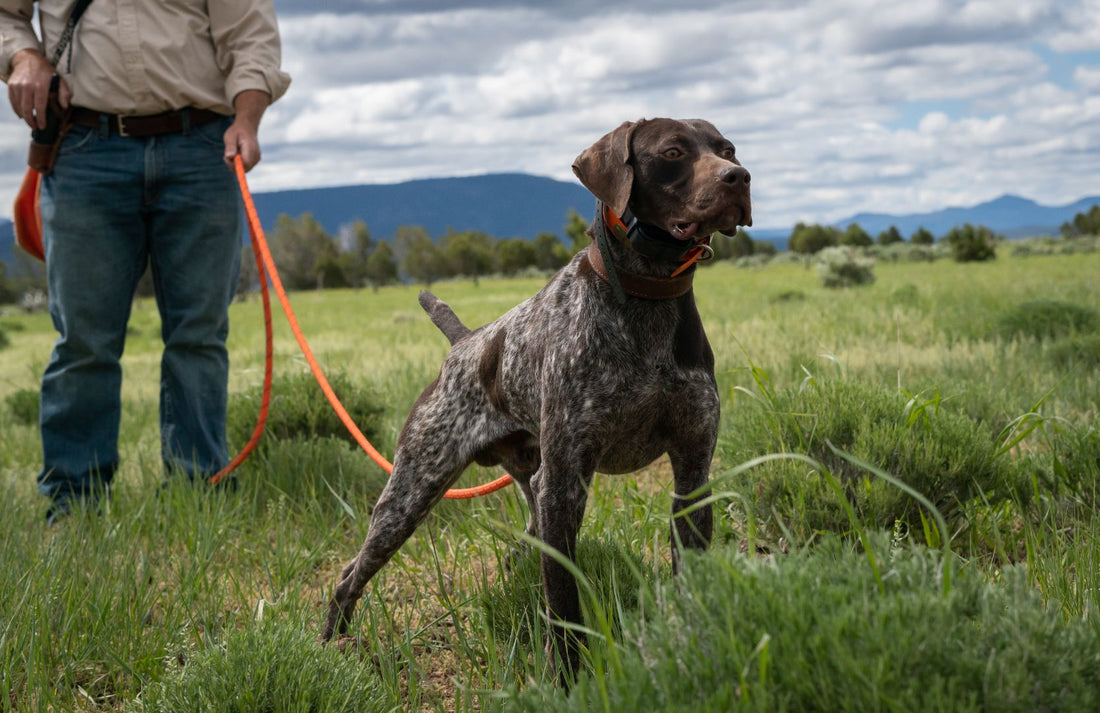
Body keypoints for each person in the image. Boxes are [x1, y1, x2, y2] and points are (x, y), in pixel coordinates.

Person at [0, 0, 291, 523]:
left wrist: (247, 119)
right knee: (84, 340)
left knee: (199, 333)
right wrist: (24, 57)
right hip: (85, 148)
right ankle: (73, 503)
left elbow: (250, 35)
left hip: (203, 145)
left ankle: (197, 487)